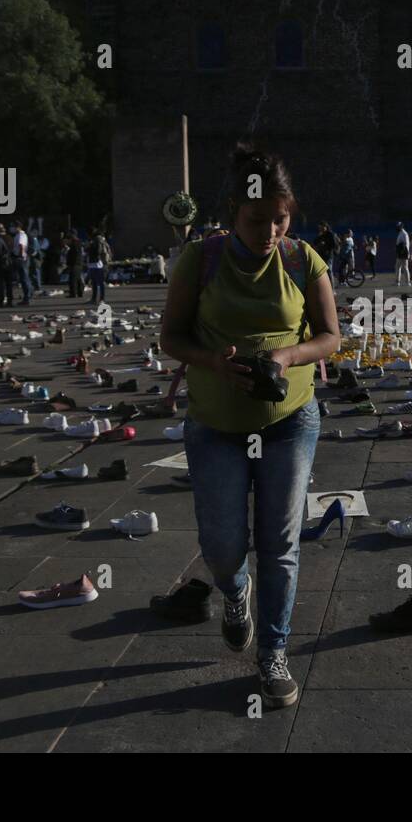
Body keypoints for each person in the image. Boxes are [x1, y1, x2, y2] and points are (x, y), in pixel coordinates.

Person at [159, 142, 339, 710]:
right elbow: (171, 338)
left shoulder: (303, 260)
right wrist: (215, 361)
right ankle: (235, 593)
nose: (269, 232)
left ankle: (274, 654)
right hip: (215, 423)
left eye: (281, 220)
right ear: (234, 210)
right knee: (222, 546)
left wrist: (287, 357)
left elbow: (331, 337)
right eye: (258, 220)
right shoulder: (200, 259)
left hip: (290, 420)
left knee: (280, 543)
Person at [8, 221, 32, 306]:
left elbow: (21, 246)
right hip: (21, 258)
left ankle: (27, 298)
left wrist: (20, 257)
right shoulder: (19, 235)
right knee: (24, 278)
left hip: (21, 258)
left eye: (13, 226)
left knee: (24, 278)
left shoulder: (21, 235)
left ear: (18, 227)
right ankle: (28, 296)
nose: (12, 228)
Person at [86, 227, 112, 305]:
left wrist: (89, 247)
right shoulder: (96, 240)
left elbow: (98, 251)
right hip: (96, 263)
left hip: (98, 263)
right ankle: (97, 299)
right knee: (97, 282)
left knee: (99, 282)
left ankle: (100, 299)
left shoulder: (97, 241)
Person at [394, 222, 411, 287]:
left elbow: (406, 244)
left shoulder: (404, 234)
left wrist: (403, 253)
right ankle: (399, 282)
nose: (397, 228)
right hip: (401, 253)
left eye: (398, 226)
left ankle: (407, 282)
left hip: (403, 253)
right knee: (398, 267)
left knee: (404, 268)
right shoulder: (401, 233)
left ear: (401, 227)